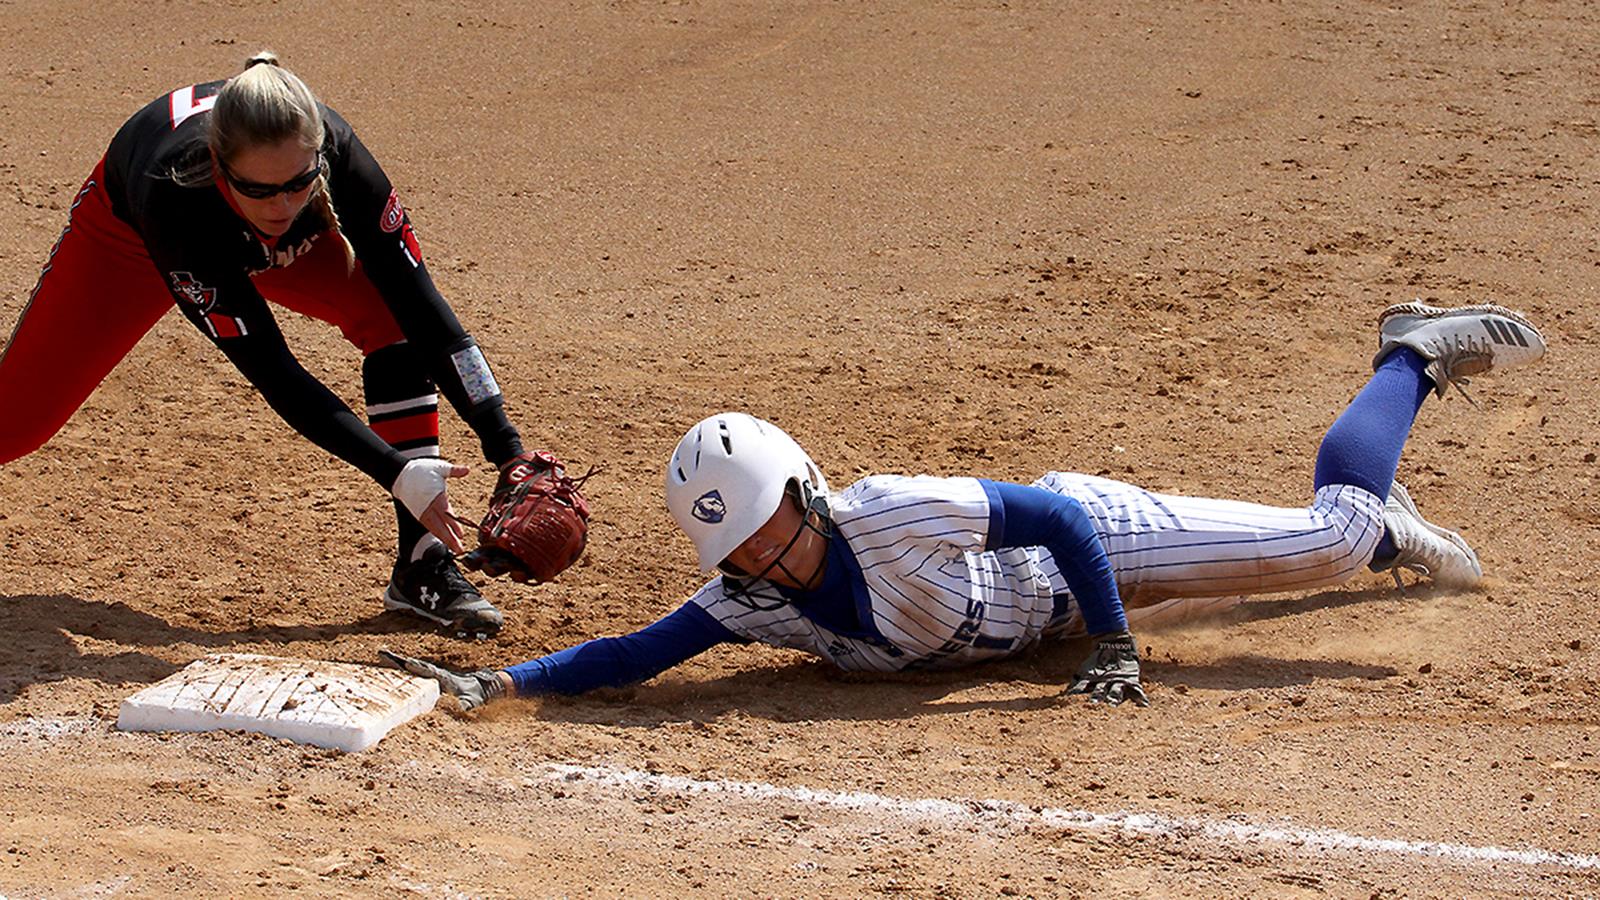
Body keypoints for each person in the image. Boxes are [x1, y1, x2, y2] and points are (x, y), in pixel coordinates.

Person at [384, 302, 1547, 707]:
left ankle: (1410, 355)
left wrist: (1112, 647)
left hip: (1095, 544)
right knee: (1338, 552)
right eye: (742, 554)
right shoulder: (752, 597)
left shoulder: (888, 511)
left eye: (773, 534)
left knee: (1334, 541)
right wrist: (509, 682)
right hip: (1048, 604)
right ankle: (1388, 517)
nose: (768, 565)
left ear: (807, 493)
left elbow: (1054, 523)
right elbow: (637, 652)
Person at [0, 52, 560, 637]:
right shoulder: (175, 197)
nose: (283, 206)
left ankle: (423, 566)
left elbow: (425, 308)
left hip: (254, 235)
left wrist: (507, 446)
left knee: (390, 318)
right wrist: (395, 469)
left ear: (319, 156)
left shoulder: (337, 157)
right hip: (133, 242)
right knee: (16, 425)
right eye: (260, 189)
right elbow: (274, 370)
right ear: (220, 165)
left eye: (299, 184)